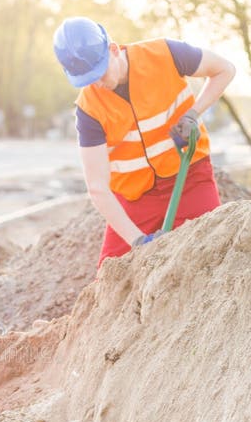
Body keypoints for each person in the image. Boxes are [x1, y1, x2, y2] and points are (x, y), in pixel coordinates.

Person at [53, 17, 236, 267]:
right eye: (87, 79)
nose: (97, 83)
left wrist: (194, 113)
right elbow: (97, 187)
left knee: (214, 256)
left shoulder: (165, 53)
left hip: (189, 178)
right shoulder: (88, 110)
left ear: (114, 49)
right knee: (111, 279)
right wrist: (138, 240)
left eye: (100, 72)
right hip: (134, 198)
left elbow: (225, 69)